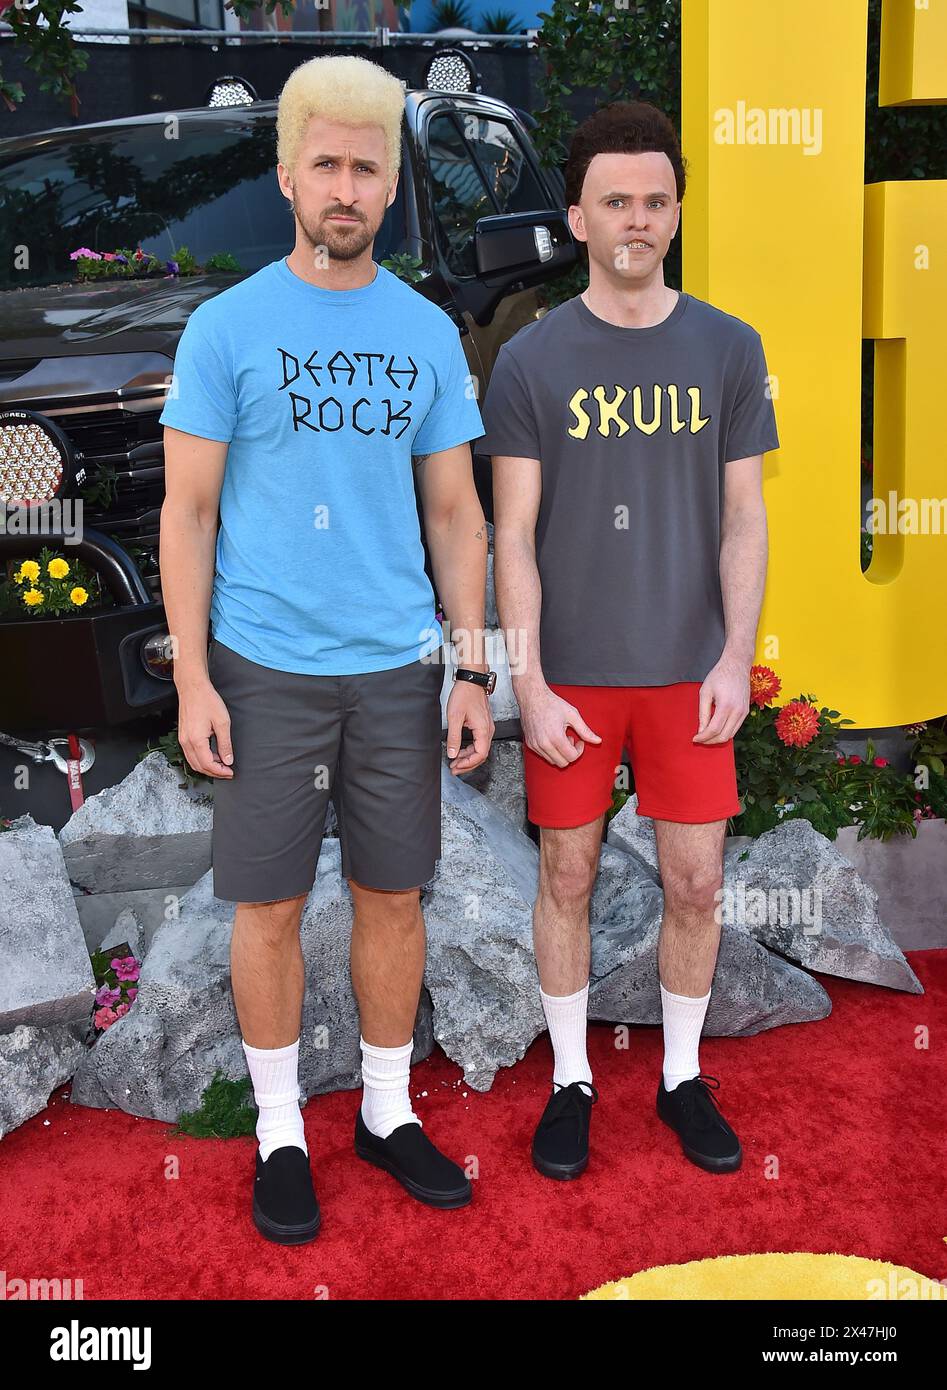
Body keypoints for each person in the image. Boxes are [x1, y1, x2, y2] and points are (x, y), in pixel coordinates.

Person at [158, 54, 495, 1244]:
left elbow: (457, 514)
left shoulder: (424, 331)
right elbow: (186, 512)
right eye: (327, 164)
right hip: (262, 669)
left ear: (391, 183)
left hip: (398, 667)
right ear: (288, 171)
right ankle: (280, 1130)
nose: (346, 187)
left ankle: (388, 1112)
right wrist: (194, 674)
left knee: (391, 895)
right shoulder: (225, 326)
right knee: (269, 905)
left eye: (367, 167)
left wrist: (472, 663)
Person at [479, 99, 779, 1181]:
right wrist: (529, 679)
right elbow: (510, 533)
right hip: (573, 682)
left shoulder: (728, 349)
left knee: (693, 882)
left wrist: (732, 656)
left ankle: (680, 1075)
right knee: (564, 873)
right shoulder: (529, 360)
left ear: (677, 213)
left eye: (655, 200)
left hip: (688, 671)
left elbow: (743, 517)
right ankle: (569, 1080)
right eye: (615, 201)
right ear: (576, 217)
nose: (636, 219)